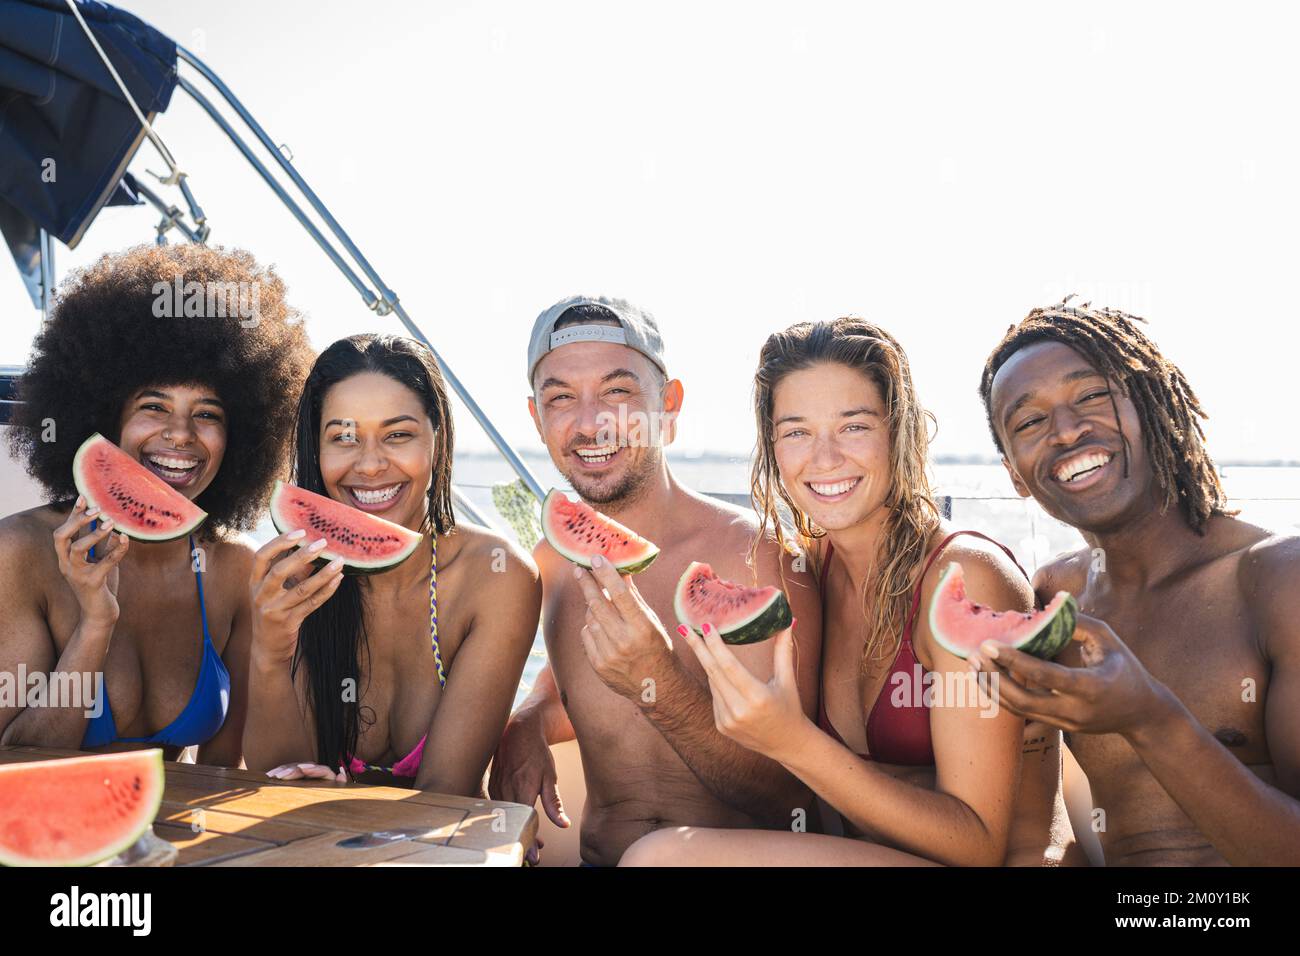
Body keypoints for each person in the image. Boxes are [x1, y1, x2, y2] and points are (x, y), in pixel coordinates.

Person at [621, 317, 1081, 866]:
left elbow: (976, 844)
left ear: (899, 430)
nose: (824, 458)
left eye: (854, 426)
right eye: (796, 431)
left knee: (662, 859)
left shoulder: (963, 576)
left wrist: (793, 742)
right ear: (772, 445)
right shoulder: (812, 567)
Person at [489, 296, 823, 866]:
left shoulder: (759, 557)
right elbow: (583, 685)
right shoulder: (551, 561)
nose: (590, 422)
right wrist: (526, 720)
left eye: (618, 392)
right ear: (536, 417)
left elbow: (795, 802)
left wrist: (660, 682)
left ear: (668, 405)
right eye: (561, 398)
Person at [972, 297, 1300, 866]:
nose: (1067, 431)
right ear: (1014, 476)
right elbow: (1052, 833)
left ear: (1153, 408)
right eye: (1029, 421)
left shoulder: (1276, 579)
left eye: (1093, 395)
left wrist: (1151, 718)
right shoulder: (1053, 598)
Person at [0, 244, 313, 764]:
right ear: (102, 418)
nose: (180, 435)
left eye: (207, 413)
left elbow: (223, 773)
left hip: (178, 844)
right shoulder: (19, 554)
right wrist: (95, 621)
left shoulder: (235, 568)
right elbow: (14, 762)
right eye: (153, 406)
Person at [242, 334, 540, 795]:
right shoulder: (292, 573)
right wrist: (270, 650)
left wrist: (343, 800)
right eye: (343, 437)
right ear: (314, 451)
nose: (371, 464)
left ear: (438, 442)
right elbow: (277, 779)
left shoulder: (497, 578)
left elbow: (446, 792)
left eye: (398, 435)